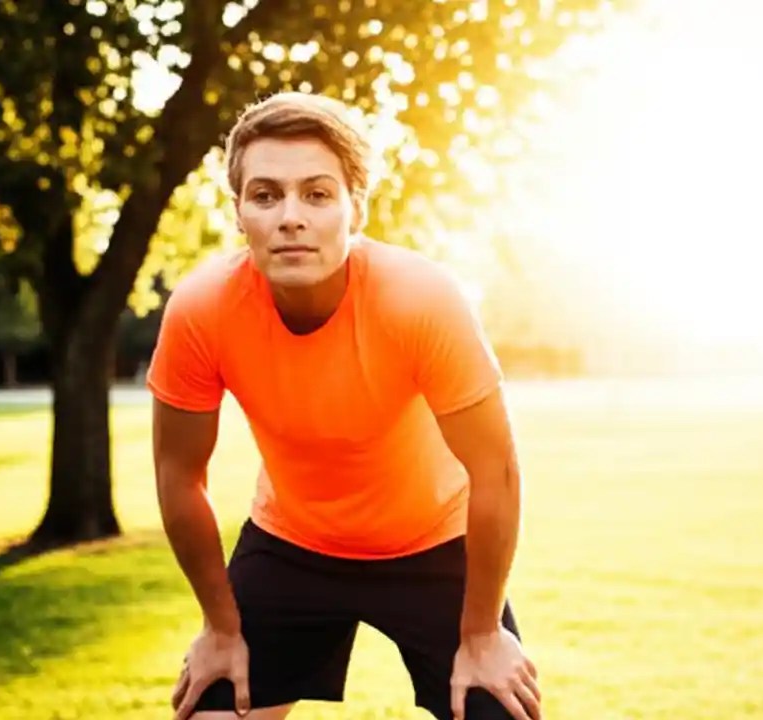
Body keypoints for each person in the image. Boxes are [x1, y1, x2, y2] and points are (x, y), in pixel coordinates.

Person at [146, 91, 541, 720]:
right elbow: (178, 475)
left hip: (434, 544)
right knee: (213, 710)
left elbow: (495, 471)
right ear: (240, 211)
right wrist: (221, 629)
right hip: (291, 545)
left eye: (318, 194)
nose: (290, 217)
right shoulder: (202, 309)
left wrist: (482, 634)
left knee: (498, 710)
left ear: (356, 208)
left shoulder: (420, 299)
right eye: (266, 194)